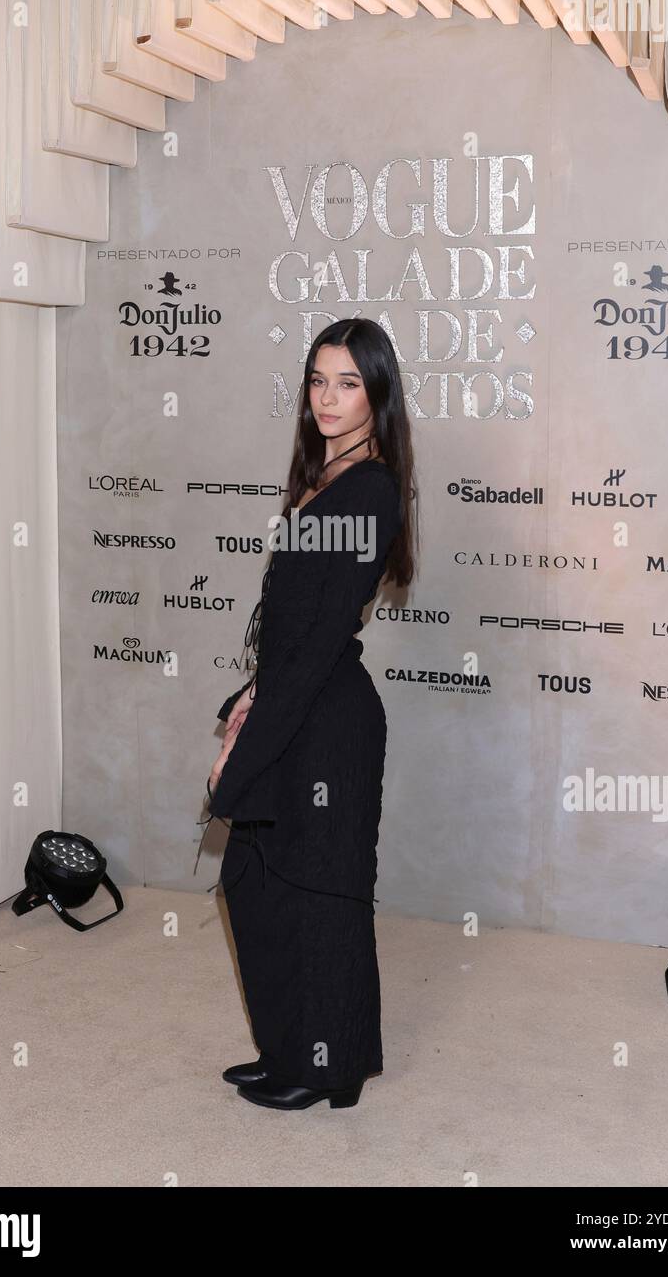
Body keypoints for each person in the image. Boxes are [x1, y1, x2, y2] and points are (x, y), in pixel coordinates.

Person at [200, 317, 417, 1111]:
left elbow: (325, 634)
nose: (328, 397)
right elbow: (295, 622)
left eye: (349, 383)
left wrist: (252, 737)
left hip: (327, 721)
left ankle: (330, 1067)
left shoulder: (369, 489)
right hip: (297, 695)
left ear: (377, 393)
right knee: (256, 880)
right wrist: (252, 694)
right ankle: (289, 1047)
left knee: (320, 894)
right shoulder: (322, 476)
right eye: (319, 380)